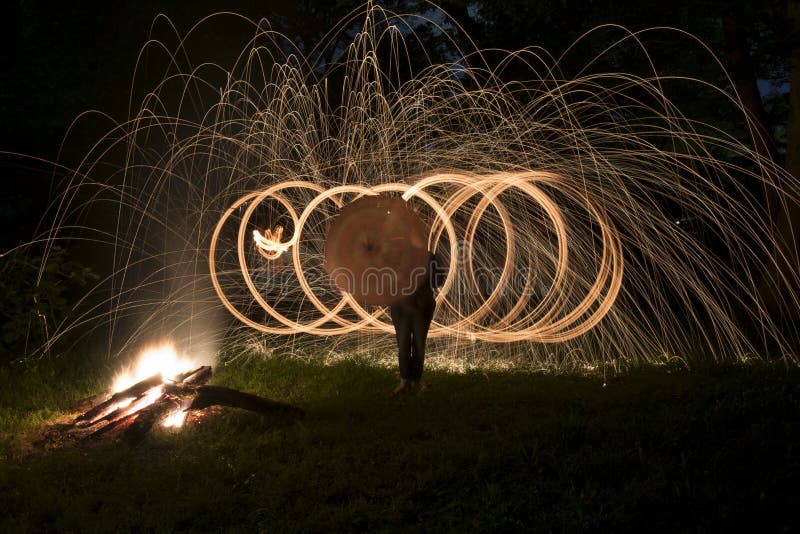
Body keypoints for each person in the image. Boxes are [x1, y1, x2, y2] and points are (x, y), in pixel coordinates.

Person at [389, 251, 443, 395]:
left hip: (420, 306)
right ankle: (405, 379)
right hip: (402, 306)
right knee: (404, 342)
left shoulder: (430, 257)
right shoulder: (395, 255)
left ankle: (414, 379)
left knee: (418, 343)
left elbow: (438, 281)